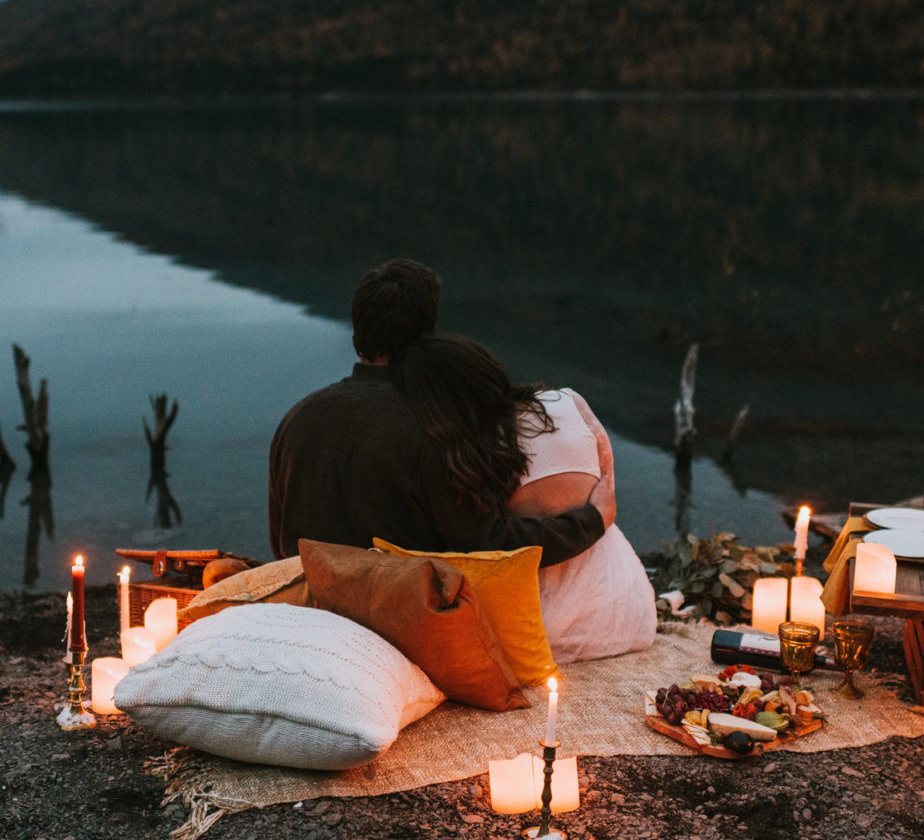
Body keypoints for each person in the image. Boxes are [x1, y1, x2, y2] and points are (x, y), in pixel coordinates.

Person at [268, 259, 613, 563]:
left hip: (304, 597)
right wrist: (591, 521)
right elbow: (487, 546)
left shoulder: (296, 419)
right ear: (428, 332)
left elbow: (280, 539)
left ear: (358, 332)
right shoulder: (436, 426)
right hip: (394, 605)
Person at [394, 333, 656, 661]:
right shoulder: (570, 401)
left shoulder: (470, 459)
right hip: (626, 605)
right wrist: (594, 516)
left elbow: (490, 543)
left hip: (544, 625)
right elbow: (607, 483)